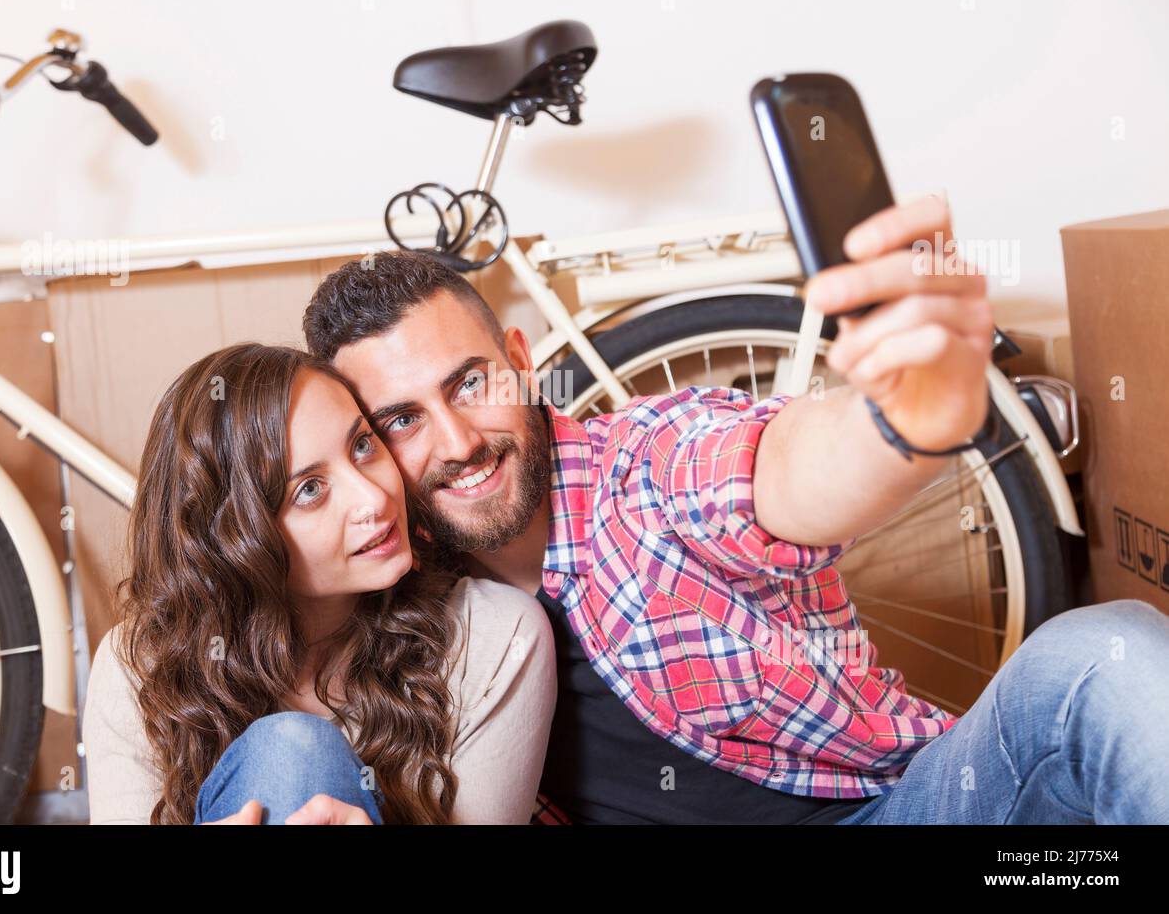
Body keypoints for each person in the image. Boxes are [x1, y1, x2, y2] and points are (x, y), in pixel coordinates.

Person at [301, 195, 1169, 824]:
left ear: (522, 360)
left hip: (907, 818)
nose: (455, 441)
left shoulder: (643, 466)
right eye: (403, 420)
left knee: (1101, 654)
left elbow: (779, 469)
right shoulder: (393, 579)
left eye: (471, 382)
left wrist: (899, 424)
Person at [82, 343, 556, 825]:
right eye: (309, 490)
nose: (373, 498)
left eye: (363, 446)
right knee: (289, 752)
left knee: (293, 752)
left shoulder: (496, 637)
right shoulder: (143, 666)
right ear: (235, 540)